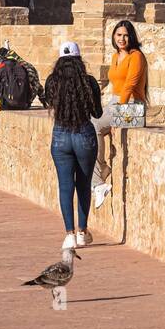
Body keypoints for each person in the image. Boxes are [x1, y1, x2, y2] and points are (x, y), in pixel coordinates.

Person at [43, 42, 102, 249]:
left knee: (65, 186)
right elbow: (97, 114)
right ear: (79, 60)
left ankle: (69, 234)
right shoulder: (89, 82)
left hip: (60, 135)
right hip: (84, 134)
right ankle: (82, 232)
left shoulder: (52, 82)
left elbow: (47, 102)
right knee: (83, 185)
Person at [91, 19, 150, 208]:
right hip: (116, 102)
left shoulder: (136, 56)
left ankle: (98, 180)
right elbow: (116, 87)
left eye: (125, 35)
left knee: (96, 125)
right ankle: (101, 170)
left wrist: (117, 116)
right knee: (90, 122)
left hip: (133, 106)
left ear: (130, 36)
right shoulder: (116, 56)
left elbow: (130, 85)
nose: (122, 39)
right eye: (118, 35)